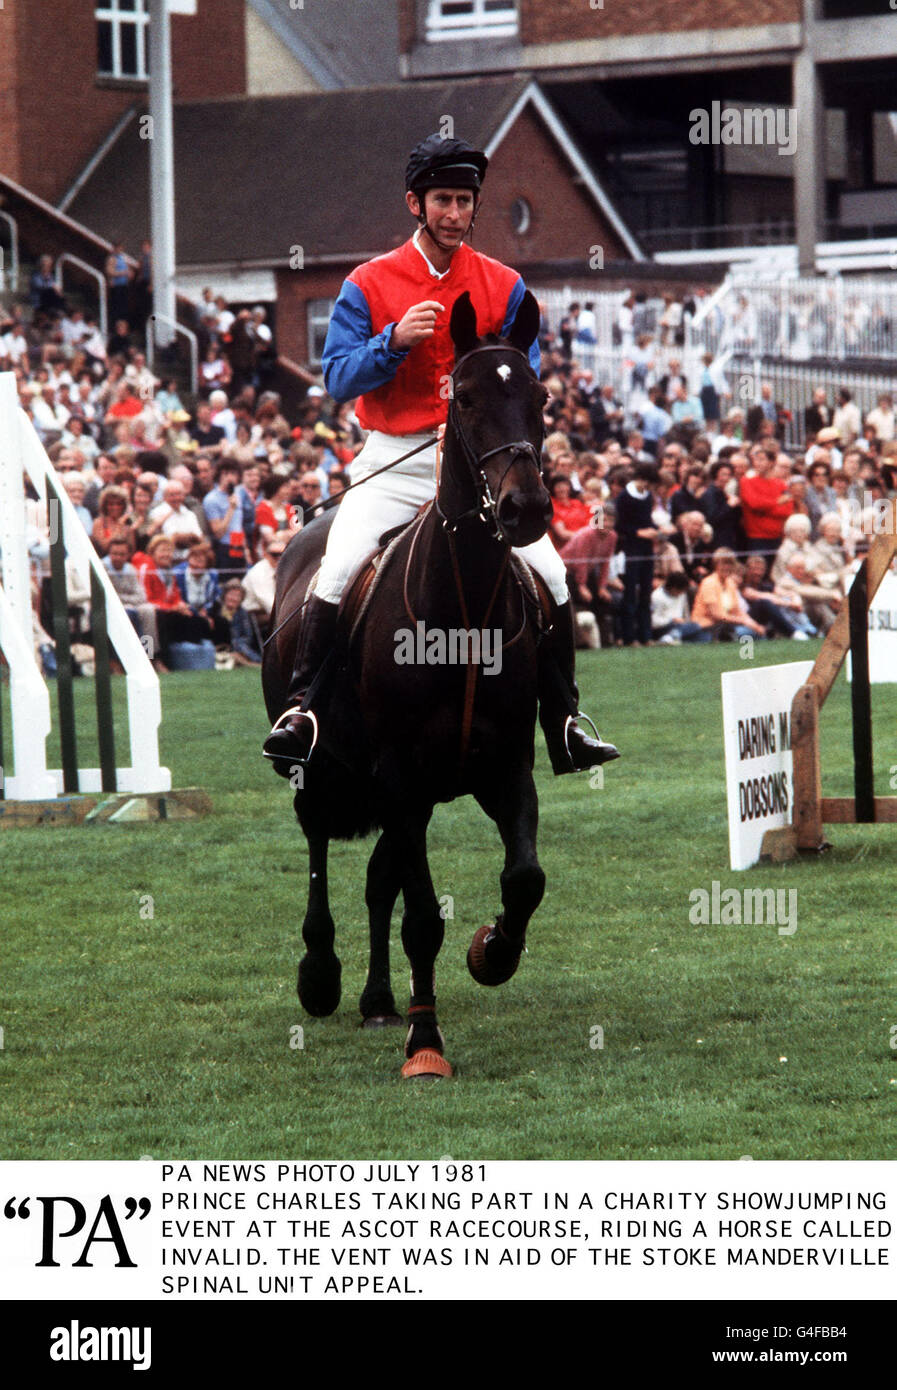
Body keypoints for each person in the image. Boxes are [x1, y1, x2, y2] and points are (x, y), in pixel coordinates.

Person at [263, 134, 617, 774]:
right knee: (337, 566)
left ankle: (565, 723)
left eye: (464, 201)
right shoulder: (367, 283)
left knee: (553, 574)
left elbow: (525, 377)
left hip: (478, 466)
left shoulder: (504, 284)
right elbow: (336, 379)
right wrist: (392, 341)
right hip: (394, 458)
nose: (454, 213)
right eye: (443, 200)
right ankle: (301, 711)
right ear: (415, 204)